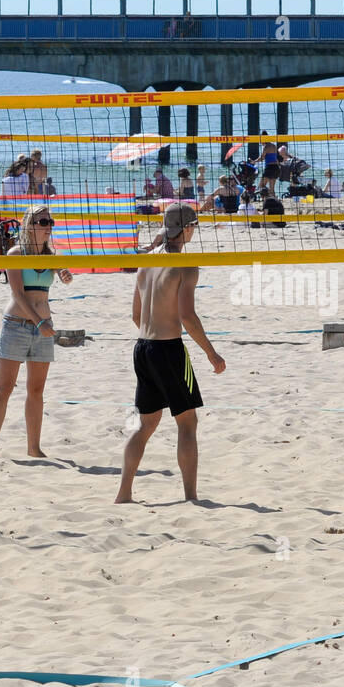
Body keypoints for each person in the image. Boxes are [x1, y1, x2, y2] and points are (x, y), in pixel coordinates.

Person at [117, 203, 225, 503]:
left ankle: (123, 493)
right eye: (194, 227)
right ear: (188, 229)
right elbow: (188, 316)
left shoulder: (146, 261)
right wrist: (211, 354)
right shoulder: (186, 265)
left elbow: (135, 314)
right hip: (168, 350)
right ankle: (190, 496)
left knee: (146, 425)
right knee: (187, 423)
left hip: (143, 348)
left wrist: (155, 332)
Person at [0, 204, 73, 460]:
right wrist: (39, 322)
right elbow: (18, 295)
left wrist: (65, 275)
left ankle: (33, 448)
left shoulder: (52, 257)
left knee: (36, 391)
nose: (48, 226)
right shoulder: (15, 254)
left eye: (50, 222)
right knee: (4, 388)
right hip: (18, 325)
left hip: (42, 329)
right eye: (42, 222)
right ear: (29, 226)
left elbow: (62, 274)